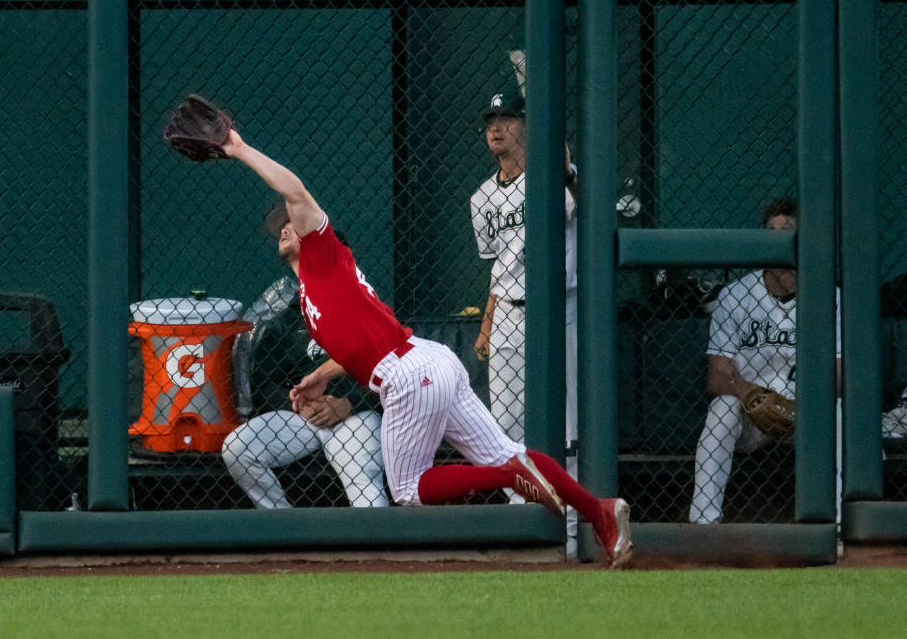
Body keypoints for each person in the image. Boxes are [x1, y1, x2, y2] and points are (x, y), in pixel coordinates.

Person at [219, 123, 632, 567]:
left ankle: (507, 476)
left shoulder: (324, 256)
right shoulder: (310, 295)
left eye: (289, 225)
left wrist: (239, 149)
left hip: (409, 375)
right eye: (278, 229)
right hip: (429, 360)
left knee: (409, 490)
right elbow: (365, 343)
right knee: (512, 452)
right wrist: (321, 374)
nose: (284, 228)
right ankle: (600, 512)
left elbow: (295, 191)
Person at [469, 88, 580, 552]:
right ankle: (523, 525)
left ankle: (574, 528)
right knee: (508, 425)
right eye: (490, 120)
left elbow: (568, 175)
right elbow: (500, 266)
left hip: (563, 308)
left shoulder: (551, 177)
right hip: (510, 314)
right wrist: (487, 322)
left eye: (508, 118)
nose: (497, 127)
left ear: (528, 127)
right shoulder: (480, 198)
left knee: (571, 425)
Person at [689, 196, 843, 523]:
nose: (776, 240)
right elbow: (716, 376)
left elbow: (841, 375)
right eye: (770, 232)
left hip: (807, 417)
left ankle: (841, 526)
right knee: (722, 409)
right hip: (752, 416)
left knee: (841, 415)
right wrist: (749, 393)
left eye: (786, 232)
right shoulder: (735, 295)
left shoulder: (830, 296)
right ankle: (703, 522)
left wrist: (803, 405)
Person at [222, 232, 388, 509]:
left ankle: (376, 549)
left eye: (296, 229)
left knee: (363, 481)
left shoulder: (364, 301)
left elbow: (392, 372)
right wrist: (299, 404)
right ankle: (284, 530)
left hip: (354, 413)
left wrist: (349, 403)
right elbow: (264, 380)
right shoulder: (289, 315)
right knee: (237, 448)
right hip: (302, 417)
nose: (285, 232)